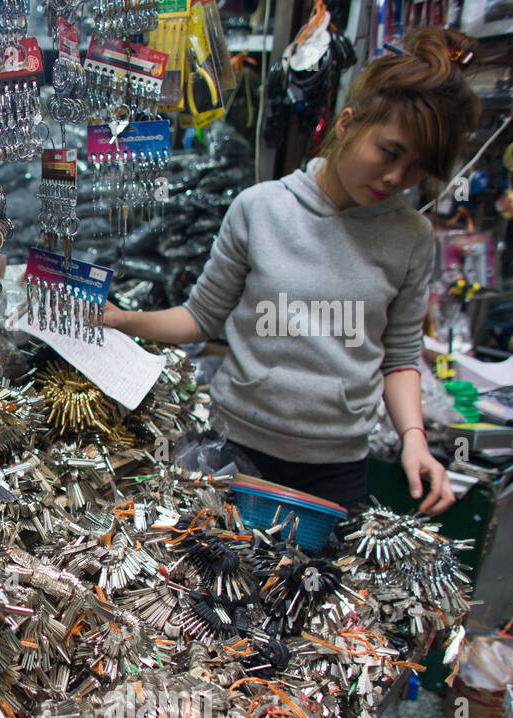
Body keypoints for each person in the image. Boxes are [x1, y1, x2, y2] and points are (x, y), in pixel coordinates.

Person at [104, 26, 480, 514]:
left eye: (417, 168)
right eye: (389, 152)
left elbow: (401, 357)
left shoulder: (411, 235)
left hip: (336, 469)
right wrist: (123, 321)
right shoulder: (261, 209)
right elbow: (200, 318)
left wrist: (414, 439)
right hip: (235, 450)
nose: (396, 178)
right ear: (346, 124)